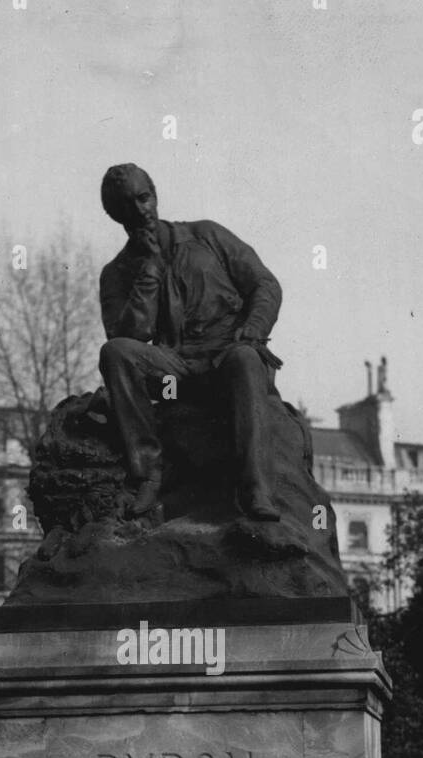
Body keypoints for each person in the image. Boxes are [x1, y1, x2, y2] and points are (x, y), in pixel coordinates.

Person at [97, 163, 283, 521]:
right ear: (115, 215)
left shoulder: (207, 236)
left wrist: (254, 330)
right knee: (115, 353)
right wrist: (149, 267)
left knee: (245, 359)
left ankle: (257, 490)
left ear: (155, 195)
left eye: (143, 198)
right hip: (175, 371)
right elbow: (127, 338)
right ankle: (149, 474)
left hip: (228, 356)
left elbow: (265, 284)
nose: (139, 211)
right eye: (126, 206)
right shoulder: (117, 273)